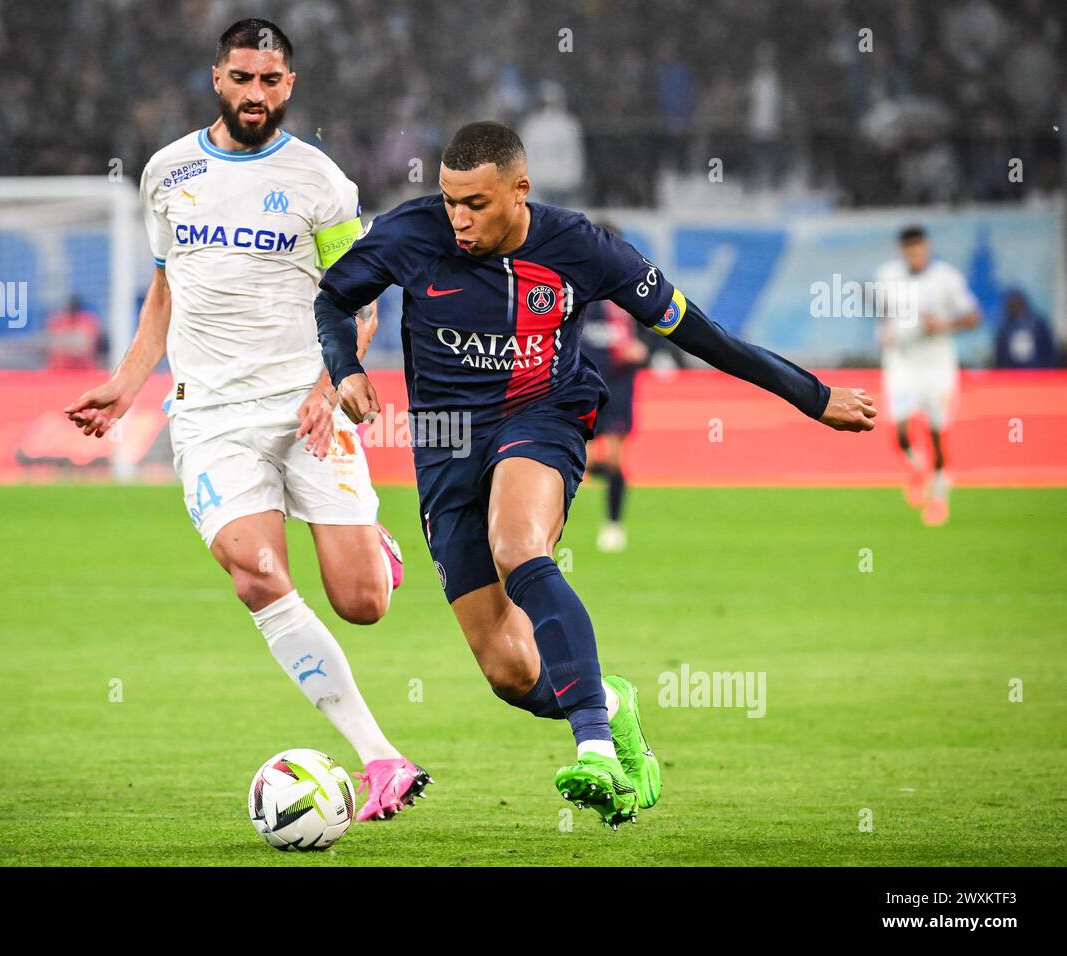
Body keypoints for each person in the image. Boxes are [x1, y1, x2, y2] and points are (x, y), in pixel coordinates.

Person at [315, 121, 876, 828]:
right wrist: (347, 369)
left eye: (477, 204)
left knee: (518, 545)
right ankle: (610, 703)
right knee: (510, 672)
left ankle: (596, 748)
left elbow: (699, 331)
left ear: (521, 191)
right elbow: (333, 299)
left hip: (542, 417)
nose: (459, 219)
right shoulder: (410, 234)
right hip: (444, 444)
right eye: (451, 200)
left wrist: (813, 396)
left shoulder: (582, 247)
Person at [63, 19, 427, 822]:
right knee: (258, 573)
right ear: (217, 78)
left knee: (361, 603)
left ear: (289, 85)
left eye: (269, 80)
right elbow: (166, 288)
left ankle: (376, 551)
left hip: (307, 406)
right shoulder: (167, 172)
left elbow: (357, 301)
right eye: (240, 77)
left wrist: (332, 384)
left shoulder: (320, 183)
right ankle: (380, 759)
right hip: (210, 417)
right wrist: (127, 384)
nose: (254, 93)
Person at [875, 225, 980, 526]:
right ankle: (920, 468)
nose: (915, 255)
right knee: (900, 431)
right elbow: (885, 315)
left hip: (937, 368)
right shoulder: (888, 277)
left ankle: (939, 497)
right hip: (902, 365)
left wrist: (944, 326)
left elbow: (974, 316)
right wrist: (885, 332)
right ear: (902, 251)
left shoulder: (947, 279)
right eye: (909, 250)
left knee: (937, 433)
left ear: (928, 248)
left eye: (919, 249)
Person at [578, 227, 650, 553]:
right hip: (586, 382)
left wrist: (645, 350)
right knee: (586, 463)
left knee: (617, 458)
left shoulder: (633, 288)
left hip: (620, 383)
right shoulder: (579, 289)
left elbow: (656, 327)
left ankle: (613, 526)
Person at [993, 289, 1057, 370]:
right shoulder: (1005, 328)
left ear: (1022, 302)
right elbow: (1000, 356)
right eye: (1009, 303)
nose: (1012, 305)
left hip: (1038, 374)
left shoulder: (1038, 324)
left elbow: (1049, 350)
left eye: (1015, 302)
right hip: (1012, 376)